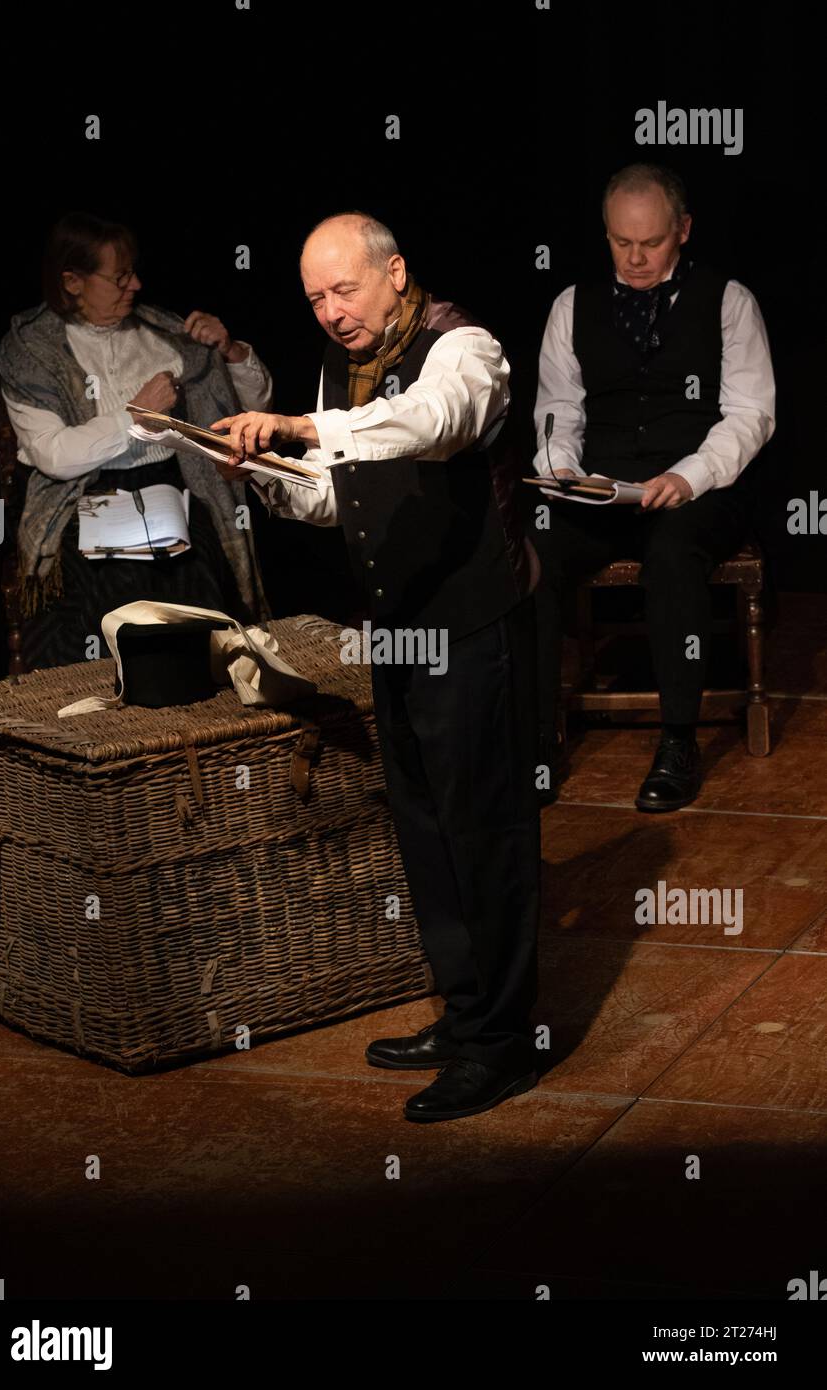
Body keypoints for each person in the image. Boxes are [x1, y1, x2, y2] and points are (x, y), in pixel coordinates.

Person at [211, 211, 542, 1124]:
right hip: (396, 624)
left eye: (344, 289)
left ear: (396, 272)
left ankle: (504, 1045)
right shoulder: (343, 371)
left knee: (485, 831)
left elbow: (432, 426)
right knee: (426, 830)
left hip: (472, 623)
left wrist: (301, 426)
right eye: (315, 297)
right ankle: (465, 1013)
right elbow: (338, 491)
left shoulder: (465, 347)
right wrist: (271, 474)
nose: (329, 312)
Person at [532, 164, 775, 811]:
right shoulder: (571, 305)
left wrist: (687, 475)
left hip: (702, 485)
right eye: (621, 242)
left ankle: (677, 739)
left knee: (672, 555)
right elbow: (560, 408)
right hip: (606, 486)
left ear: (684, 230)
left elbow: (751, 413)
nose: (635, 258)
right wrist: (561, 470)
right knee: (533, 548)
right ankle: (534, 742)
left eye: (652, 243)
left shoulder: (729, 301)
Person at [0, 212, 273, 669]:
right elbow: (55, 454)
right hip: (83, 491)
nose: (137, 285)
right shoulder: (32, 350)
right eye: (121, 276)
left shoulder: (165, 333)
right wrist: (135, 415)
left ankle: (201, 714)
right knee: (112, 584)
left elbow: (255, 407)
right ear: (72, 281)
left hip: (175, 483)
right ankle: (106, 722)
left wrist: (229, 351)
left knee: (193, 572)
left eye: (133, 271)